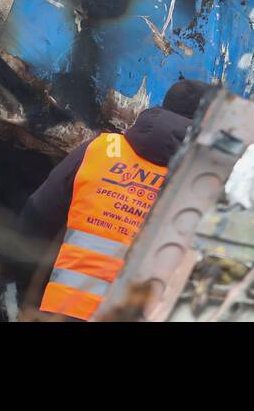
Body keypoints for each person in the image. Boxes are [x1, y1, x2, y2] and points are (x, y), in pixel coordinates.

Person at [17, 79, 212, 320]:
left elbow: (36, 218)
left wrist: (29, 292)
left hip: (65, 308)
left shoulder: (100, 148)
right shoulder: (204, 184)